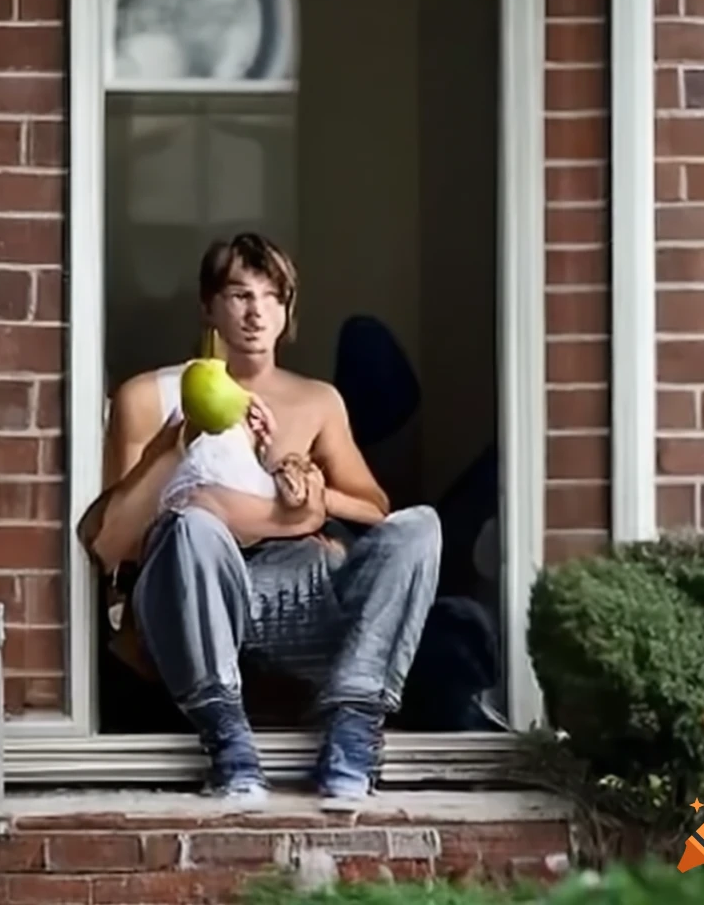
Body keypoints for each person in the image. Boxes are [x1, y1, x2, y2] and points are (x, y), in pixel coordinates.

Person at [86, 232, 440, 805]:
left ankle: (353, 730)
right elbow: (111, 545)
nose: (256, 313)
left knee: (421, 527)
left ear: (287, 311)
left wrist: (318, 501)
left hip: (296, 596)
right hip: (196, 594)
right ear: (209, 305)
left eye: (272, 297)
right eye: (238, 295)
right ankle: (229, 742)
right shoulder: (151, 397)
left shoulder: (317, 401)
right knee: (195, 526)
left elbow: (375, 511)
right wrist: (178, 446)